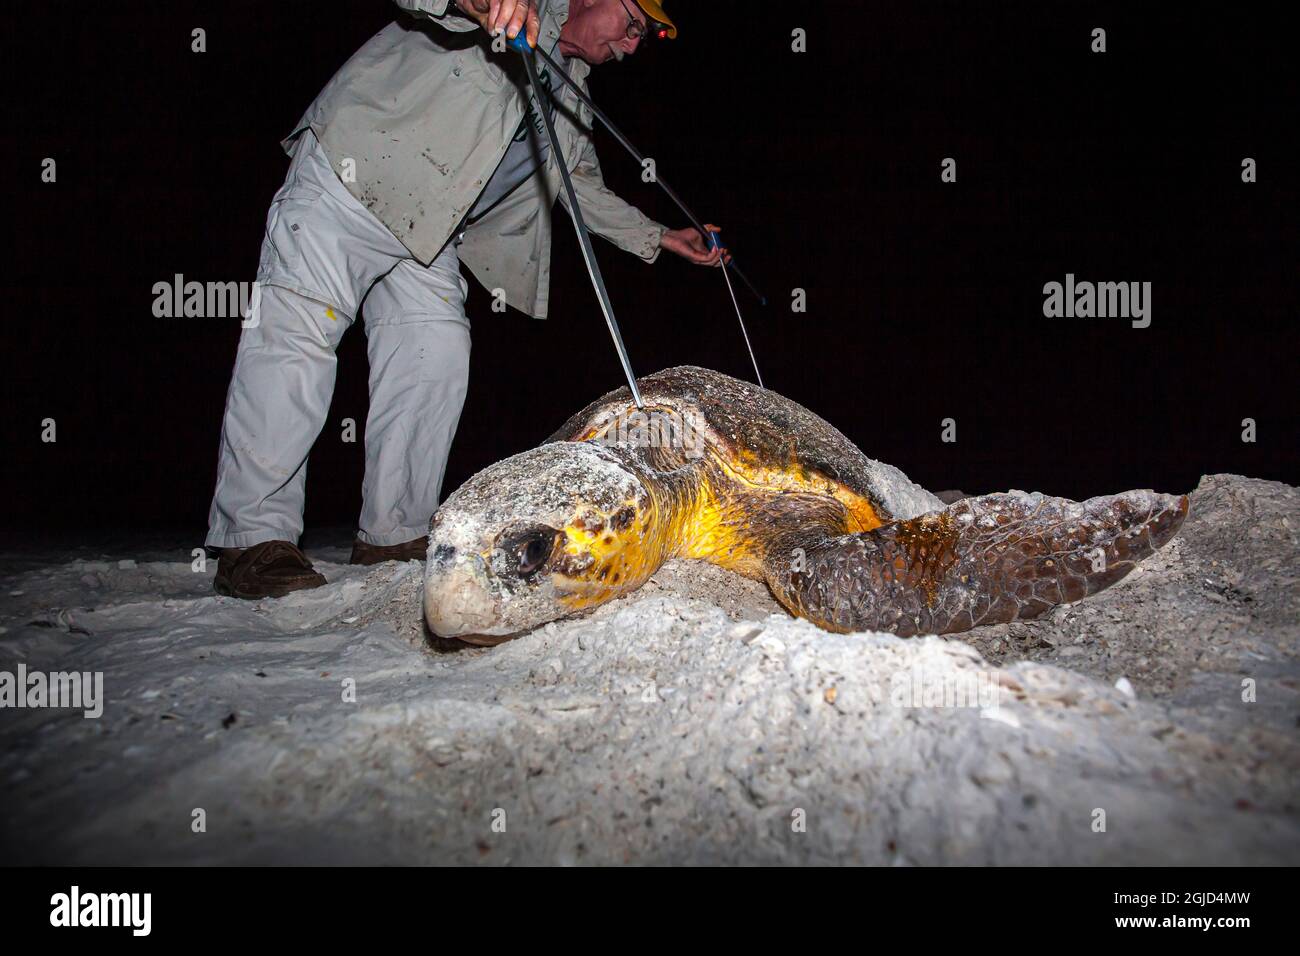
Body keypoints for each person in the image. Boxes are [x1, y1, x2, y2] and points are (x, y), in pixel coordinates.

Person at [206, 0, 725, 599]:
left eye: (644, 38)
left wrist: (660, 236)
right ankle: (253, 539)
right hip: (351, 181)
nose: (632, 46)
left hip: (430, 230)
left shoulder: (573, 90)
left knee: (438, 355)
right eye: (633, 25)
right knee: (297, 337)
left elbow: (577, 183)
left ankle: (392, 533)